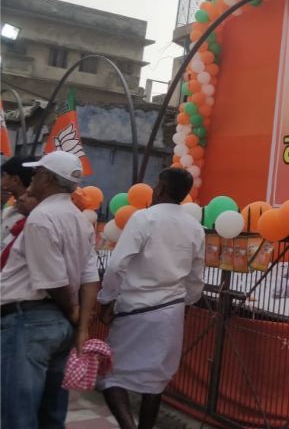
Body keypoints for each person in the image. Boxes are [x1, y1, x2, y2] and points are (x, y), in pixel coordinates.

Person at [95, 168, 205, 429]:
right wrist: (187, 302)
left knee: (111, 375)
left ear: (162, 188)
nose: (154, 189)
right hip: (171, 311)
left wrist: (106, 299)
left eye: (157, 184)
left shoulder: (144, 218)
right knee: (155, 382)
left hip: (137, 308)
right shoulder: (194, 227)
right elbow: (196, 275)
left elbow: (117, 265)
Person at [1, 151, 99, 428]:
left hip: (29, 320)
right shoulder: (79, 219)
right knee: (51, 413)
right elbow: (90, 275)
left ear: (46, 178)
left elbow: (54, 280)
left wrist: (73, 311)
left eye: (35, 174)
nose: (30, 180)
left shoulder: (42, 218)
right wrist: (80, 326)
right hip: (56, 326)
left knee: (17, 414)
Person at [1, 156, 33, 240]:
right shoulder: (9, 207)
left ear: (15, 180)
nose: (1, 182)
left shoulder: (29, 213)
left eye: (3, 176)